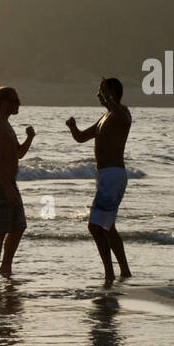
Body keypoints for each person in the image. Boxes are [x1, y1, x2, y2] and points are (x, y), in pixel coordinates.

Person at [67, 78, 132, 284]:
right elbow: (80, 137)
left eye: (101, 91)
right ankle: (124, 271)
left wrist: (109, 97)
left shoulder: (121, 113)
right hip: (105, 176)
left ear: (112, 92)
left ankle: (109, 273)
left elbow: (121, 116)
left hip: (113, 175)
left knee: (95, 227)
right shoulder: (104, 117)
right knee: (108, 226)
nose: (98, 95)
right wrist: (72, 126)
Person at [0, 86, 35, 278]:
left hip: (9, 184)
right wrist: (6, 188)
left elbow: (18, 154)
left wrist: (29, 138)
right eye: (15, 100)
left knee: (18, 227)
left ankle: (5, 266)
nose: (18, 103)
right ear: (3, 102)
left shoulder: (7, 125)